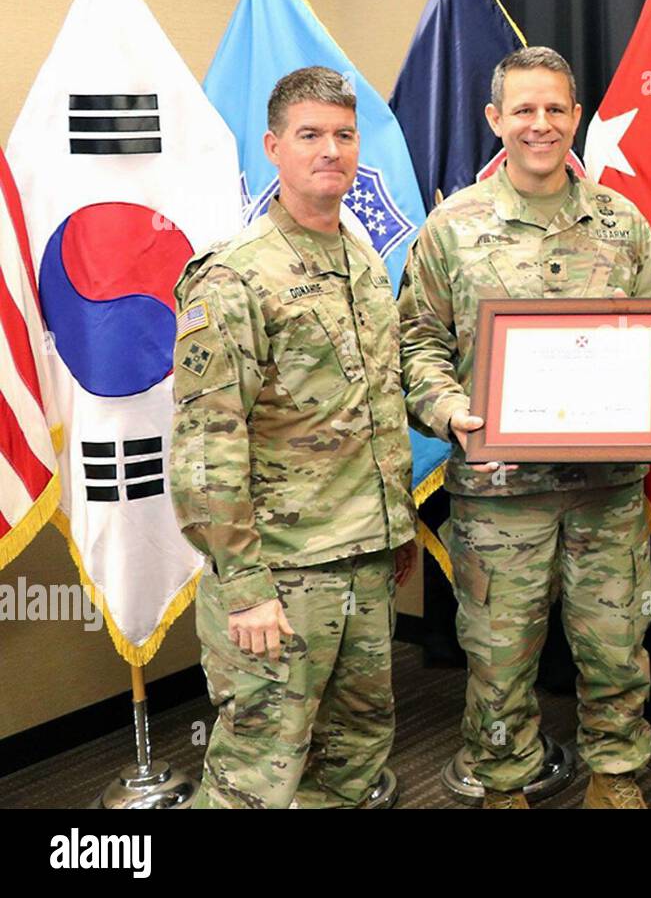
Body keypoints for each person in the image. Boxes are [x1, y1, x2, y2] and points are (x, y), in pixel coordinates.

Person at [397, 46, 651, 809]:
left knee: (616, 645)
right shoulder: (451, 228)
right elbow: (417, 342)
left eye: (555, 108)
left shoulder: (622, 223)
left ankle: (615, 776)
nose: (541, 123)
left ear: (576, 116)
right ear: (496, 119)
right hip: (497, 491)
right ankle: (503, 784)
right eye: (523, 109)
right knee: (498, 655)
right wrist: (450, 408)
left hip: (605, 490)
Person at [169, 66, 417, 809]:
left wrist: (393, 526)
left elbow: (376, 406)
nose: (329, 150)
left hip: (365, 557)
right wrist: (243, 588)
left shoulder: (364, 260)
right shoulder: (235, 277)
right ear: (274, 146)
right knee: (259, 769)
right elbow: (207, 444)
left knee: (353, 755)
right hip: (281, 573)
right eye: (310, 135)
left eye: (344, 135)